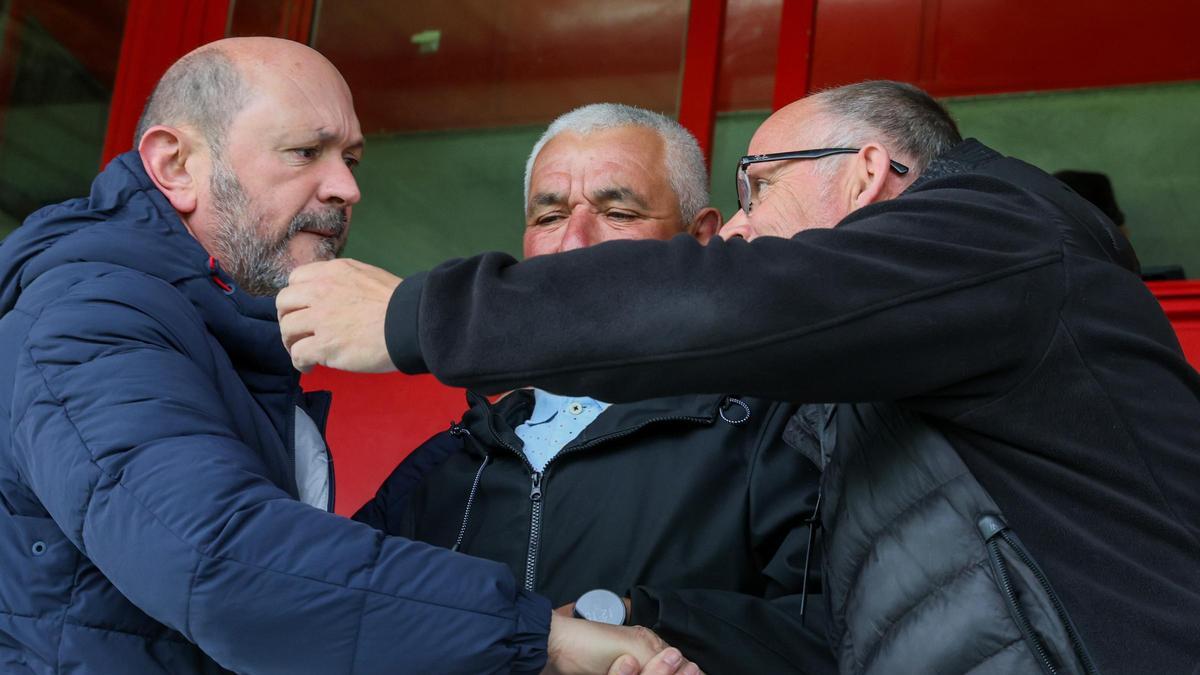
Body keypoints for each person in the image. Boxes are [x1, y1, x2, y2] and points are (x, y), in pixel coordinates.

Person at [279, 80, 1200, 674]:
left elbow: (740, 300)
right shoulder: (872, 384)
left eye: (758, 186)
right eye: (548, 212)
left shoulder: (998, 230)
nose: (748, 230)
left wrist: (414, 316)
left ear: (869, 170)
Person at [0, 37, 701, 675]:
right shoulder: (89, 318)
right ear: (175, 164)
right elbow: (222, 561)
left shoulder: (227, 339)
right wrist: (535, 637)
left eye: (352, 159)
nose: (347, 188)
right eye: (307, 152)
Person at [353, 103, 833, 675]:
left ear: (701, 240)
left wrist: (640, 617)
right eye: (549, 217)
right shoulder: (450, 460)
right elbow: (329, 621)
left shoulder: (776, 429)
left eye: (619, 211)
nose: (575, 244)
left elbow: (833, 639)